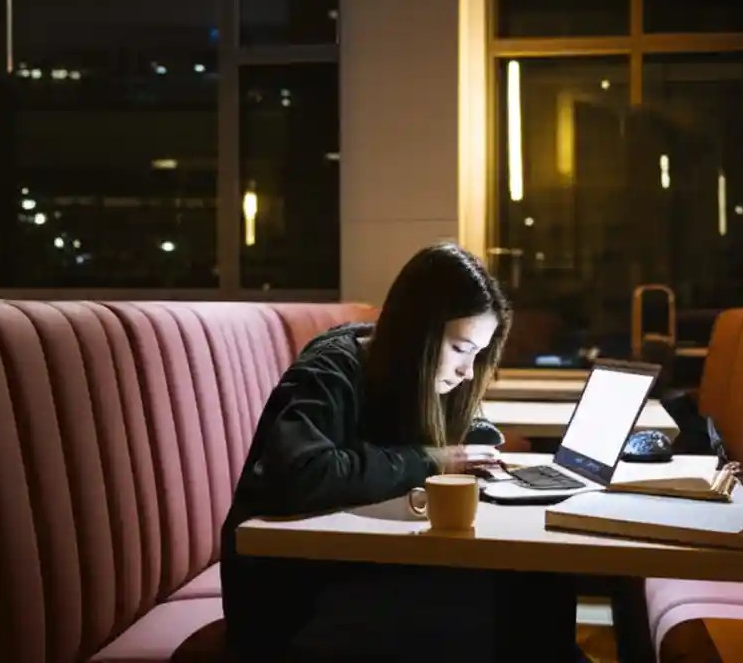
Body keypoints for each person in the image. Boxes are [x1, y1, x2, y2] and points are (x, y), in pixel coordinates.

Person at [221, 242, 583, 661]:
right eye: (461, 350)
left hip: (349, 569)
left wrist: (470, 443)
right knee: (522, 600)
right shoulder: (330, 368)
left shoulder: (407, 380)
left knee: (541, 582)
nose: (468, 373)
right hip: (291, 602)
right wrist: (433, 458)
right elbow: (303, 471)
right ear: (418, 332)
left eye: (478, 355)